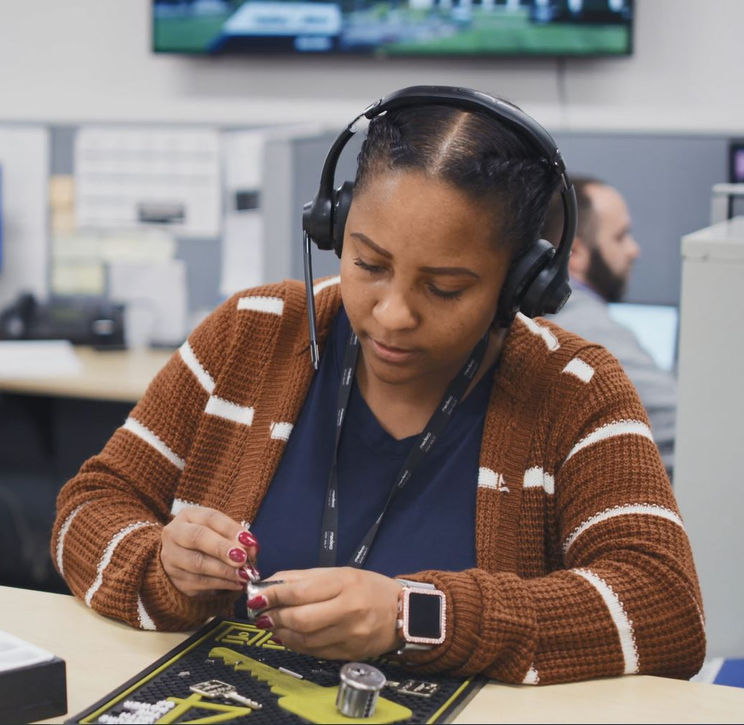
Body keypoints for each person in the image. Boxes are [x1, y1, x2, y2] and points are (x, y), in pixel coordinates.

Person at [51, 88, 704, 685]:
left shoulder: (574, 389)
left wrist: (411, 615)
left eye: (444, 288)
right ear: (334, 228)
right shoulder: (252, 334)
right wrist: (163, 565)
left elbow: (666, 610)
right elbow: (88, 507)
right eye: (368, 263)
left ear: (517, 284)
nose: (392, 315)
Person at [543, 176, 678, 472]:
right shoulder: (585, 328)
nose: (634, 250)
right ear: (576, 254)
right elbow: (682, 432)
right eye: (620, 236)